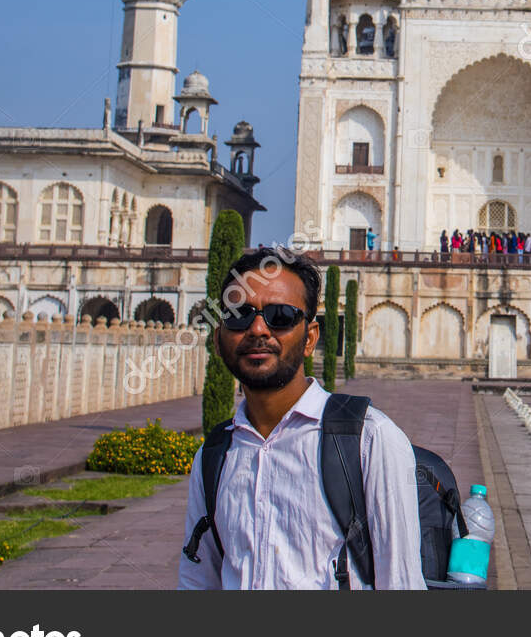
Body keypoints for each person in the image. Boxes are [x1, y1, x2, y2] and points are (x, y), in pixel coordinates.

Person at [179, 246, 425, 589]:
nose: (259, 329)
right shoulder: (214, 454)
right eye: (239, 314)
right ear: (219, 337)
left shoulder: (369, 440)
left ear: (309, 338)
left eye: (280, 316)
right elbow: (198, 580)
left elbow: (401, 584)